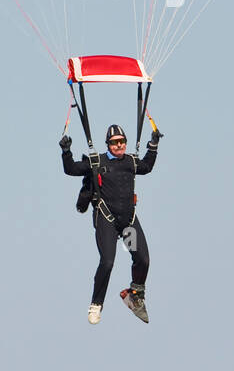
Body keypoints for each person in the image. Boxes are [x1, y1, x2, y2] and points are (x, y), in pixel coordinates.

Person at [59, 123, 162, 324]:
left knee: (143, 259)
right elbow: (71, 169)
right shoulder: (97, 162)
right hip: (107, 220)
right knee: (107, 262)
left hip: (127, 225)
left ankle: (135, 295)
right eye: (115, 143)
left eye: (122, 141)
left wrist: (154, 144)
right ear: (108, 144)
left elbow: (147, 166)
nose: (119, 145)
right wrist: (66, 151)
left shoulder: (131, 162)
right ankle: (96, 304)